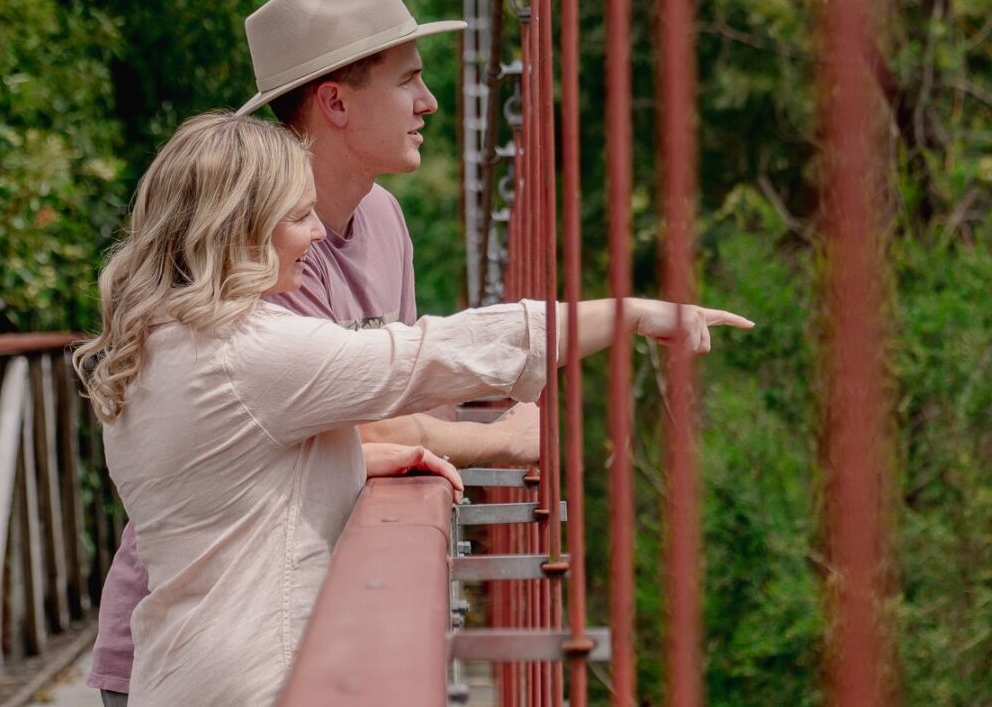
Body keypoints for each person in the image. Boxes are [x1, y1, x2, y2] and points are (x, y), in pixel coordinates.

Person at [76, 112, 750, 707]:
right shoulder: (245, 350)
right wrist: (628, 313)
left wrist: (348, 461)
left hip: (173, 674)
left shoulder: (156, 346)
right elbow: (429, 354)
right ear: (242, 231)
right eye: (297, 216)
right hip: (254, 681)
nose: (315, 236)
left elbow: (223, 487)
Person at [87, 0, 536, 703]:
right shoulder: (254, 254)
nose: (428, 102)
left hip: (309, 618)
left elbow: (393, 395)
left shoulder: (385, 220)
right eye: (408, 81)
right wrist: (506, 437)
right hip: (198, 644)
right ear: (334, 101)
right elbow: (367, 420)